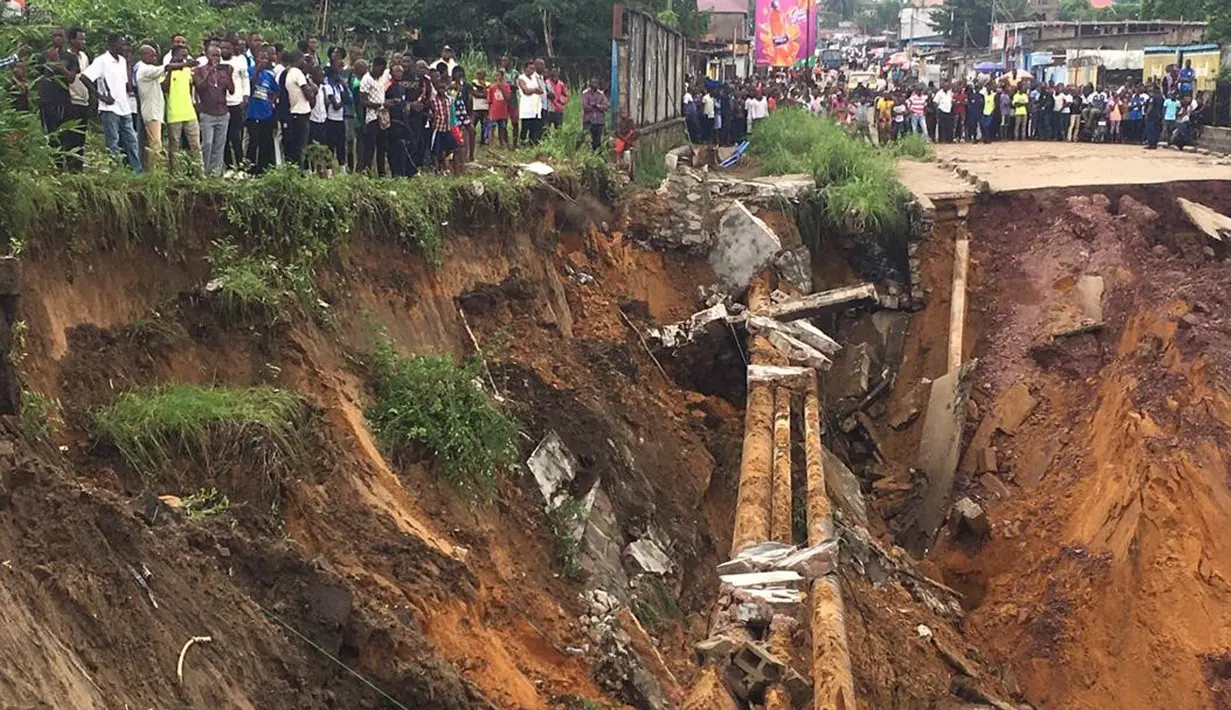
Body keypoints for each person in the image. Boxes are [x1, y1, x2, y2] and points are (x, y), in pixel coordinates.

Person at [84, 34, 141, 172]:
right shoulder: (102, 61)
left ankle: (136, 171)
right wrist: (100, 97)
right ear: (111, 45)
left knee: (132, 141)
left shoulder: (122, 60)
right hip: (109, 109)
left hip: (124, 107)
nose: (123, 47)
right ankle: (117, 171)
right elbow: (84, 77)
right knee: (113, 142)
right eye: (120, 44)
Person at [192, 45, 233, 176]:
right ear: (206, 55)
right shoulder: (199, 70)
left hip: (222, 112)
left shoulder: (223, 71)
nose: (216, 58)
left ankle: (215, 173)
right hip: (207, 113)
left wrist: (229, 75)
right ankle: (204, 171)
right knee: (207, 144)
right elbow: (200, 88)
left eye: (218, 56)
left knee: (219, 144)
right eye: (213, 55)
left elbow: (232, 90)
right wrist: (209, 72)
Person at [245, 47, 278, 174]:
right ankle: (249, 168)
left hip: (266, 113)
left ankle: (262, 170)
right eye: (261, 58)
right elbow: (250, 86)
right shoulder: (250, 71)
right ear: (256, 59)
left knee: (265, 143)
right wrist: (257, 71)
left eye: (265, 58)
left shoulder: (268, 75)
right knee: (253, 143)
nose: (263, 61)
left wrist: (271, 102)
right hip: (253, 113)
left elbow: (276, 90)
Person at [134, 45, 165, 171]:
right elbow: (165, 68)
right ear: (143, 55)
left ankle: (149, 169)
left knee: (149, 143)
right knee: (155, 144)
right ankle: (155, 171)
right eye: (151, 55)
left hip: (153, 111)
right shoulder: (144, 70)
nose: (155, 58)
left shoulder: (144, 68)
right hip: (151, 112)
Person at [63, 27, 91, 171]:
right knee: (71, 136)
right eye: (81, 38)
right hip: (72, 100)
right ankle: (70, 166)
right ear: (72, 40)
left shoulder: (84, 57)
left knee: (81, 137)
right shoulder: (66, 56)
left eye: (84, 39)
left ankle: (78, 167)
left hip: (83, 100)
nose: (83, 42)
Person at [282, 50, 314, 166]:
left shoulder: (289, 73)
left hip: (294, 111)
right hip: (301, 112)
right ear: (298, 60)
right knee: (300, 147)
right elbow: (306, 89)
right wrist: (311, 97)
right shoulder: (297, 72)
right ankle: (299, 172)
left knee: (295, 146)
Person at [221, 38, 249, 171]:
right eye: (222, 48)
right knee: (224, 137)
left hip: (236, 103)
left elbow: (245, 79)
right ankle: (229, 166)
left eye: (227, 48)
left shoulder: (239, 62)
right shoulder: (217, 62)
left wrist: (245, 96)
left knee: (235, 136)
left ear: (232, 49)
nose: (224, 50)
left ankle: (241, 164)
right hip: (221, 104)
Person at [358, 56, 389, 175]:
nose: (381, 72)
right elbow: (362, 101)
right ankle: (367, 174)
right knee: (370, 149)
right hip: (372, 118)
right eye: (380, 70)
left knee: (382, 148)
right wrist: (380, 104)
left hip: (383, 118)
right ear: (375, 66)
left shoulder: (380, 78)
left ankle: (382, 175)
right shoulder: (366, 80)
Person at [428, 75, 459, 173]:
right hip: (438, 128)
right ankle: (438, 169)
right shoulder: (433, 100)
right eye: (439, 88)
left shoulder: (449, 99)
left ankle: (446, 166)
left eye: (443, 87)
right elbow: (430, 111)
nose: (441, 90)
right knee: (437, 150)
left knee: (454, 147)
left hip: (447, 128)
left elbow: (452, 112)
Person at [323, 64, 348, 168]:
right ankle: (329, 169)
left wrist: (345, 87)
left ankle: (342, 167)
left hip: (340, 119)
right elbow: (336, 106)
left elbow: (346, 99)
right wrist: (342, 101)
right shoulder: (328, 87)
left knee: (341, 145)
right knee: (330, 146)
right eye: (338, 74)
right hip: (331, 119)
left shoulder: (339, 87)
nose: (340, 77)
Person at [516, 60, 543, 145]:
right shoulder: (521, 78)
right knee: (525, 127)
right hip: (526, 108)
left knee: (534, 128)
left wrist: (533, 90)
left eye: (533, 69)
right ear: (525, 68)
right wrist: (535, 90)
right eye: (530, 68)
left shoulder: (535, 78)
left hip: (535, 108)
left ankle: (531, 144)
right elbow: (525, 91)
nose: (532, 71)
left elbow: (541, 90)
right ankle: (522, 143)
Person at [579, 77, 608, 151]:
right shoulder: (585, 93)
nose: (595, 84)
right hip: (588, 120)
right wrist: (595, 107)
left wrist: (597, 106)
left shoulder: (601, 94)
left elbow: (606, 106)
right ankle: (578, 152)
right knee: (583, 137)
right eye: (593, 82)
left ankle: (596, 155)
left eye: (596, 83)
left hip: (599, 121)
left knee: (597, 141)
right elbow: (585, 106)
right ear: (590, 84)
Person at [486, 69, 511, 148]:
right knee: (492, 127)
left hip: (503, 111)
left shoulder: (506, 86)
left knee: (502, 127)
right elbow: (490, 101)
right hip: (494, 111)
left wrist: (501, 87)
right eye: (495, 76)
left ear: (502, 76)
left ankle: (501, 143)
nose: (497, 77)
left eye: (498, 75)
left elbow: (507, 98)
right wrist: (489, 112)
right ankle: (491, 143)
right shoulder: (492, 87)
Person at [469, 69, 489, 154]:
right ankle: (471, 140)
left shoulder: (487, 84)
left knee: (484, 125)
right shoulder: (473, 83)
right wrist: (481, 93)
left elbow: (486, 94)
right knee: (472, 125)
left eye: (481, 74)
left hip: (484, 107)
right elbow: (474, 94)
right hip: (475, 108)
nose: (479, 76)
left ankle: (483, 140)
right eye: (478, 74)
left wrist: (481, 88)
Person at [1144, 83, 1164, 149]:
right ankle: (1154, 144)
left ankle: (1150, 144)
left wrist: (1147, 114)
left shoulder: (1153, 97)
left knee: (1150, 130)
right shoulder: (1162, 97)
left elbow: (1151, 105)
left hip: (1152, 116)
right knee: (1156, 130)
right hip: (1159, 116)